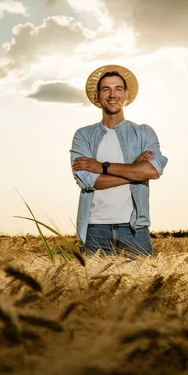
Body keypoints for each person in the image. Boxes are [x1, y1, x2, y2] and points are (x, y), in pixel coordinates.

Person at [70, 65, 168, 257]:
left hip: (135, 230)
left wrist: (101, 167)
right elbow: (87, 180)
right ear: (98, 96)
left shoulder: (144, 133)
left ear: (126, 95)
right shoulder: (83, 135)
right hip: (94, 229)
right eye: (106, 89)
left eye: (118, 89)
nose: (112, 94)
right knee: (94, 288)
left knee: (143, 287)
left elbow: (153, 171)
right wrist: (134, 171)